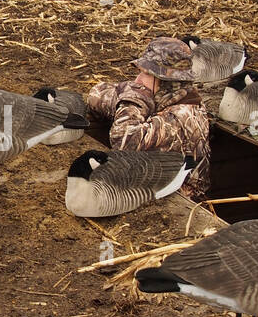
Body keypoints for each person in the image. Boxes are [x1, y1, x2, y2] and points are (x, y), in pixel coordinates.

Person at [85, 37, 212, 199]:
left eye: (146, 73)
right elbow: (96, 95)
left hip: (180, 203)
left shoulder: (180, 117)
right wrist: (134, 97)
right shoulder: (165, 97)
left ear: (166, 81)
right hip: (153, 186)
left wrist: (134, 99)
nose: (137, 80)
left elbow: (124, 141)